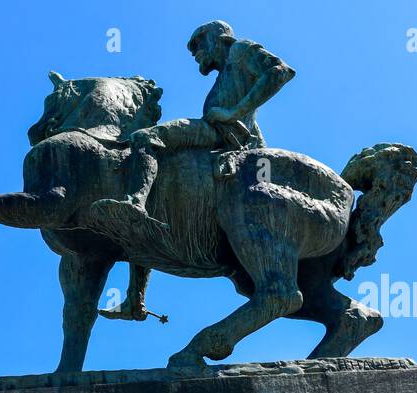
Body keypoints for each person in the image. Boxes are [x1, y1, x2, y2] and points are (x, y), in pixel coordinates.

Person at [97, 21, 295, 321]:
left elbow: (280, 71)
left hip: (218, 134)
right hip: (221, 136)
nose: (195, 52)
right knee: (157, 183)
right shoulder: (228, 70)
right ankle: (134, 299)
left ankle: (135, 201)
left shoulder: (240, 50)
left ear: (220, 38)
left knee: (145, 138)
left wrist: (233, 113)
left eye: (199, 43)